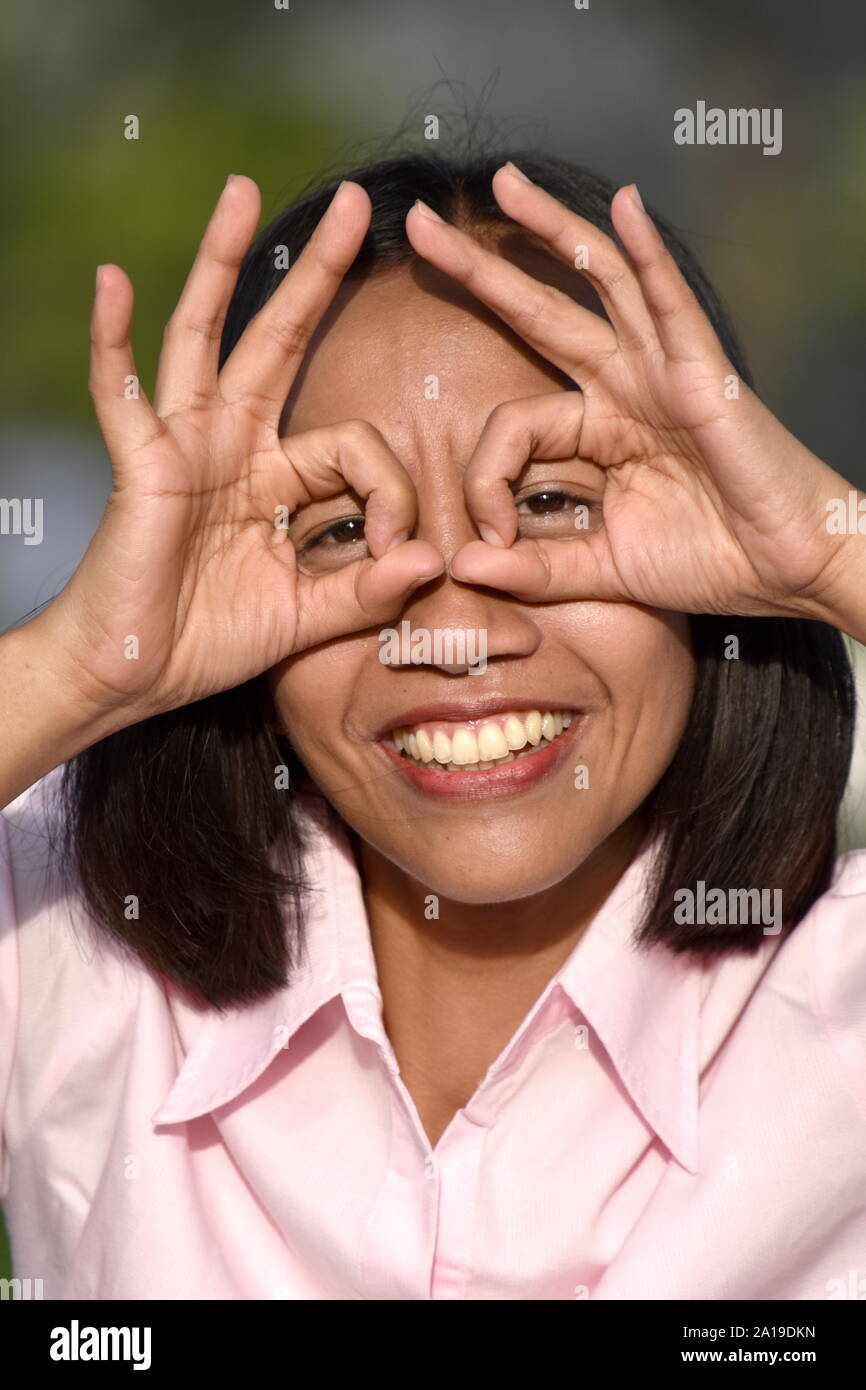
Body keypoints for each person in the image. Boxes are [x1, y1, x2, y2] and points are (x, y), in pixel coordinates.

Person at [1, 149, 864, 1300]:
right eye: (343, 530)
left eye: (552, 502)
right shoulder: (69, 944)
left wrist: (824, 549)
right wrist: (82, 665)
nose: (451, 629)